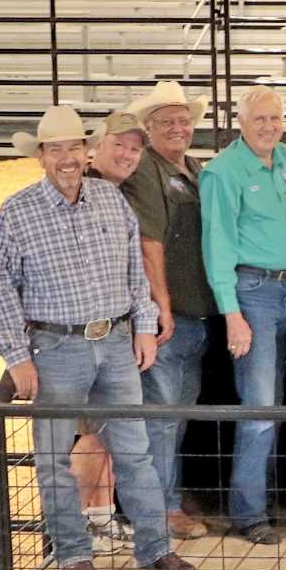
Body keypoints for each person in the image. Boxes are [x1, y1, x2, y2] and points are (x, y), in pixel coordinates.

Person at [0, 106, 196, 570]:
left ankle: (154, 546)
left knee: (133, 451)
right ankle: (73, 551)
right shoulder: (17, 211)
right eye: (55, 149)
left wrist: (143, 325)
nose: (66, 158)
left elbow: (131, 271)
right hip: (56, 347)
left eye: (73, 148)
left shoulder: (109, 200)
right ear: (41, 156)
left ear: (86, 152)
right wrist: (16, 355)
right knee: (54, 457)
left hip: (116, 341)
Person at [199, 84, 286, 545]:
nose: (268, 126)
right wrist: (232, 313)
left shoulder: (284, 160)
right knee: (260, 409)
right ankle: (248, 513)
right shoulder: (223, 172)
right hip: (254, 293)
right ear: (240, 123)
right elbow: (217, 244)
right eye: (259, 119)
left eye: (275, 118)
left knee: (274, 405)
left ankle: (259, 501)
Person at [121, 80, 215, 541]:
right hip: (172, 314)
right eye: (166, 122)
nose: (178, 128)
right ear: (150, 128)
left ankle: (168, 495)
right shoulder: (148, 172)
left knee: (175, 413)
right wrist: (161, 305)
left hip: (193, 311)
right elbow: (149, 243)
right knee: (162, 415)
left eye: (183, 120)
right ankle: (161, 508)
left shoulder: (192, 168)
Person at [70, 112, 150, 552]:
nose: (127, 155)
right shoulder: (82, 194)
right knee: (93, 432)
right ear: (96, 148)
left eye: (135, 149)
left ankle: (99, 518)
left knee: (103, 430)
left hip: (110, 333)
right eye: (119, 145)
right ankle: (80, 523)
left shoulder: (113, 196)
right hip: (84, 335)